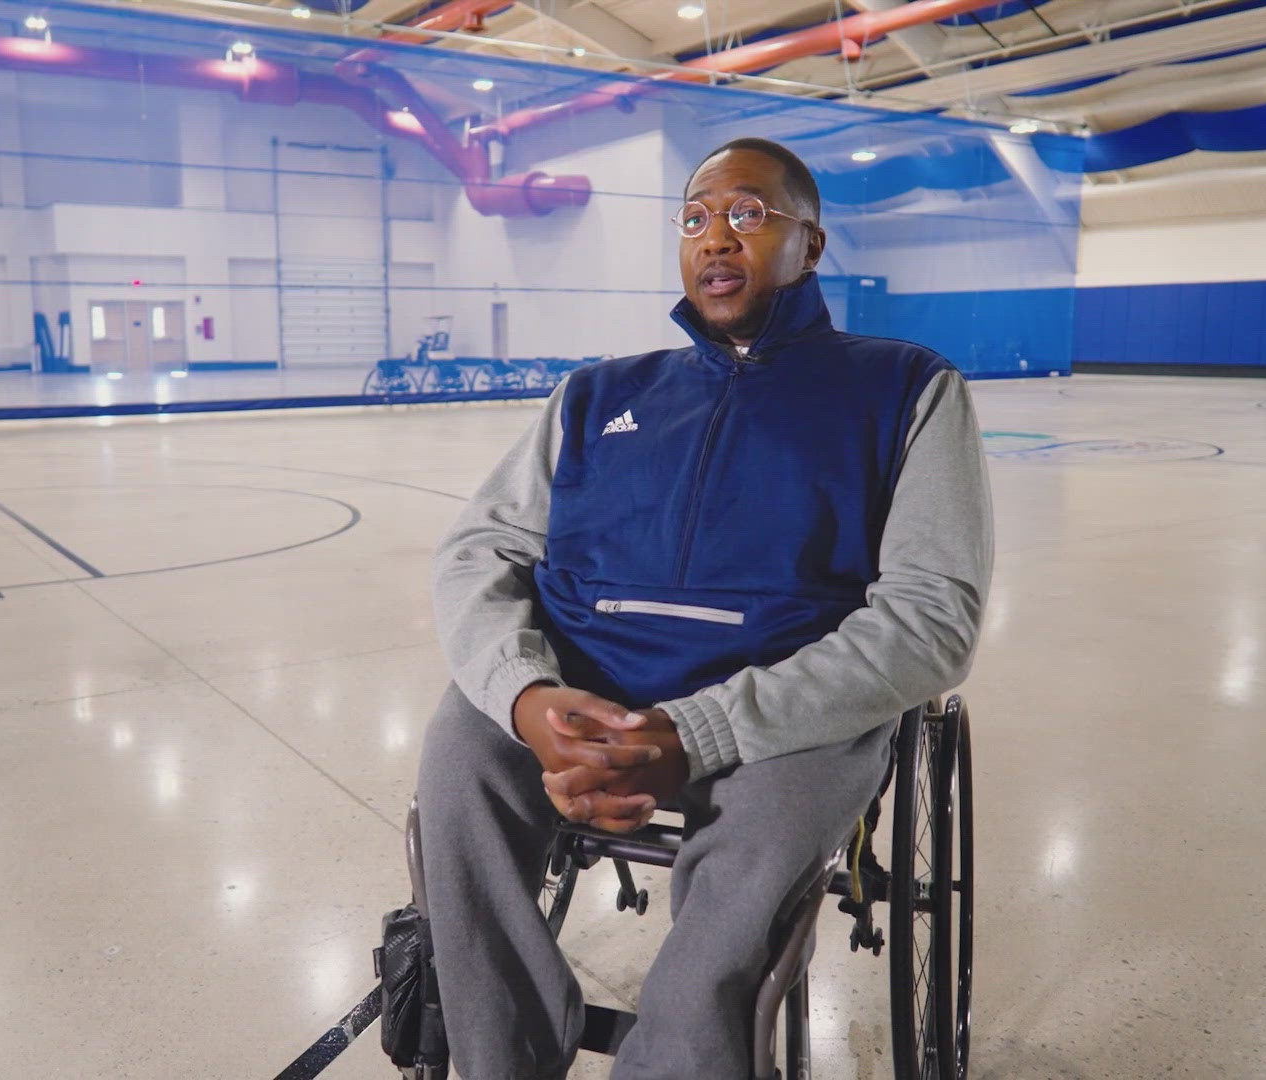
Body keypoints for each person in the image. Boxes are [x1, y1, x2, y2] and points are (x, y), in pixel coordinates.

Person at [414, 137, 993, 1080]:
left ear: (809, 245)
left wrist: (699, 731)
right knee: (460, 761)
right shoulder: (597, 394)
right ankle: (501, 1057)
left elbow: (933, 617)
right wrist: (527, 699)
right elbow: (482, 550)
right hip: (583, 687)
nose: (716, 238)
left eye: (748, 215)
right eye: (694, 218)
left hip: (782, 708)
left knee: (746, 879)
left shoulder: (906, 390)